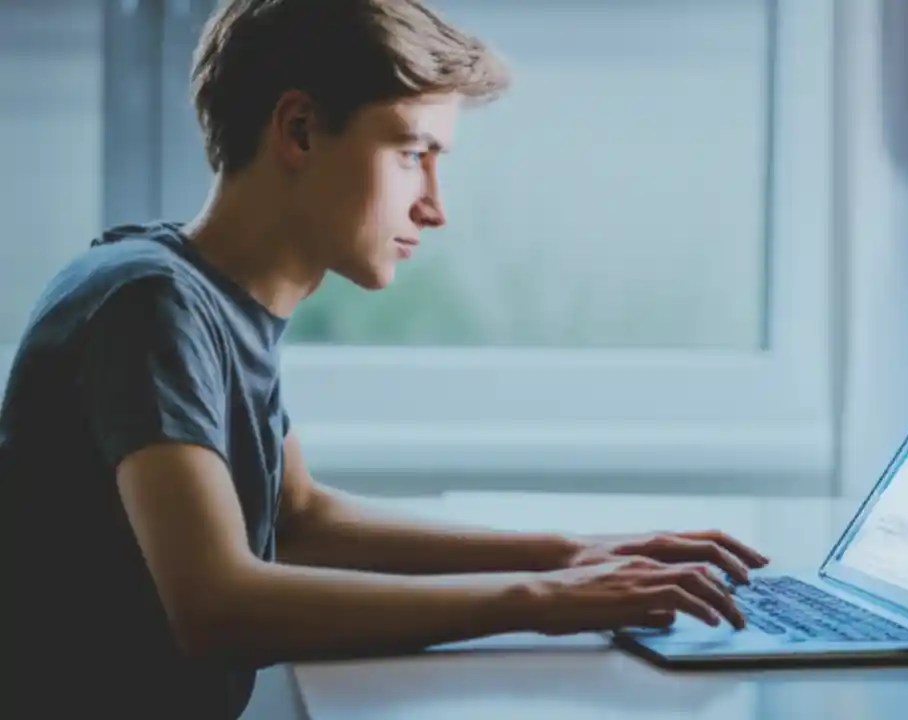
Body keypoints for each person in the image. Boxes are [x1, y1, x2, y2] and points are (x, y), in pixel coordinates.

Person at [0, 1, 768, 717]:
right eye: (412, 154)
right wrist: (542, 599)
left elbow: (297, 518)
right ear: (299, 130)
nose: (436, 206)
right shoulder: (148, 304)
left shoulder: (211, 298)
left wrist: (573, 554)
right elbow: (216, 607)